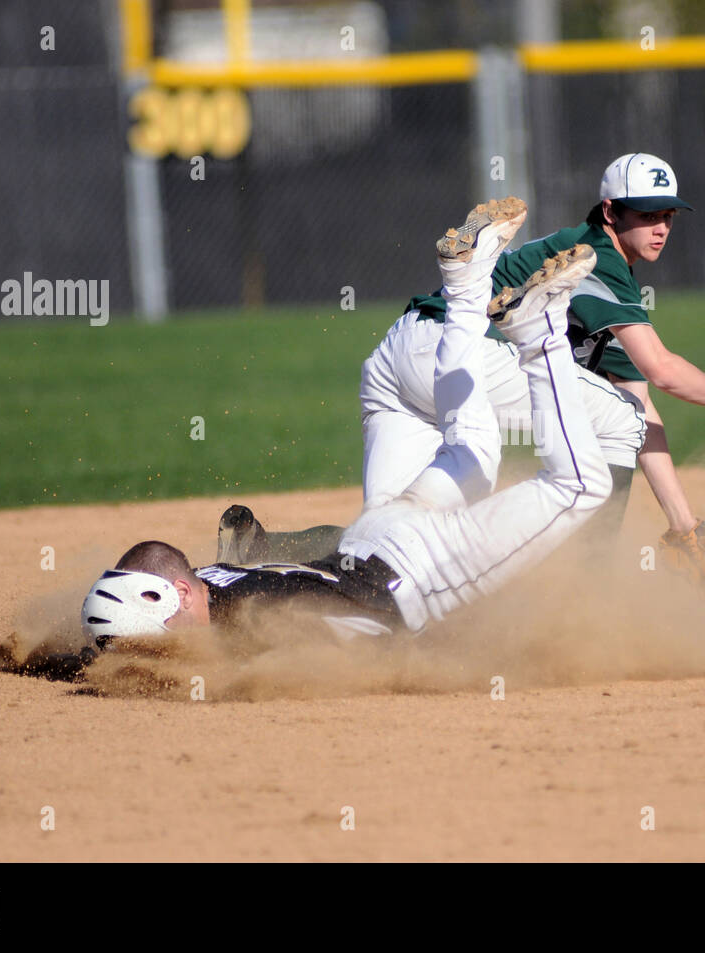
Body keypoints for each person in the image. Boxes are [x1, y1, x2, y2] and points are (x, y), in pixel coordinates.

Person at [58, 209, 610, 676]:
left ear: (179, 592)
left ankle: (537, 332)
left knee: (582, 483)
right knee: (473, 445)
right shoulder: (203, 582)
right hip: (376, 537)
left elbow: (361, 646)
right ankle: (465, 291)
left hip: (418, 569)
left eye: (156, 639)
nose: (161, 655)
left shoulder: (252, 623)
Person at [263, 155, 705, 601]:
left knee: (393, 530)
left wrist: (682, 523)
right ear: (612, 212)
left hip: (401, 354)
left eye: (667, 215)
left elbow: (636, 397)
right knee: (608, 428)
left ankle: (269, 556)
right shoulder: (598, 261)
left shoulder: (582, 259)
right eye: (646, 215)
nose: (660, 227)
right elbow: (660, 373)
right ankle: (585, 592)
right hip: (461, 352)